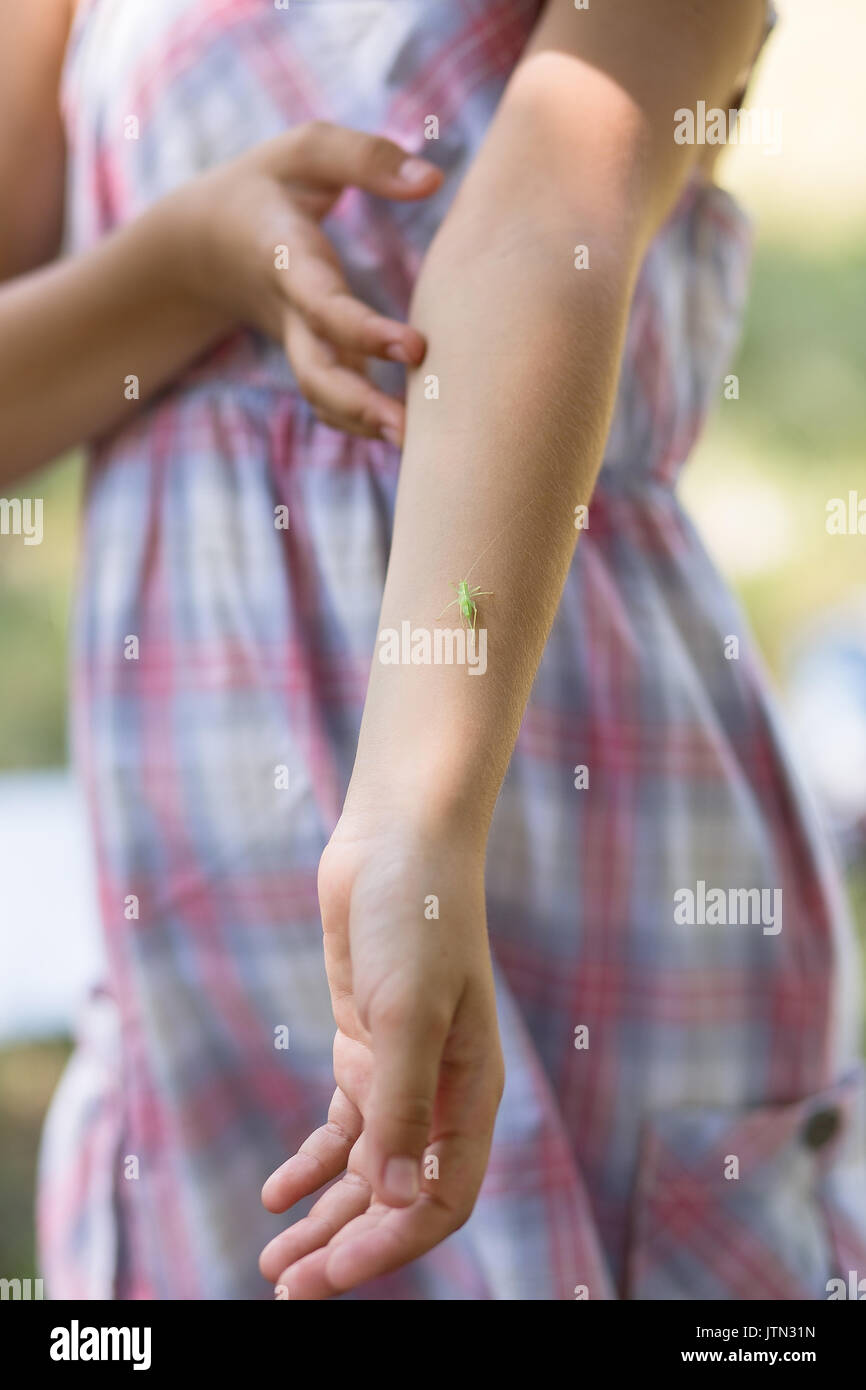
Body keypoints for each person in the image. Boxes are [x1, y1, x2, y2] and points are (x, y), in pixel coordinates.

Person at [2, 0, 863, 1299]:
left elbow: (544, 225)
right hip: (206, 917)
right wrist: (185, 268)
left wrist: (412, 819)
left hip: (552, 830)